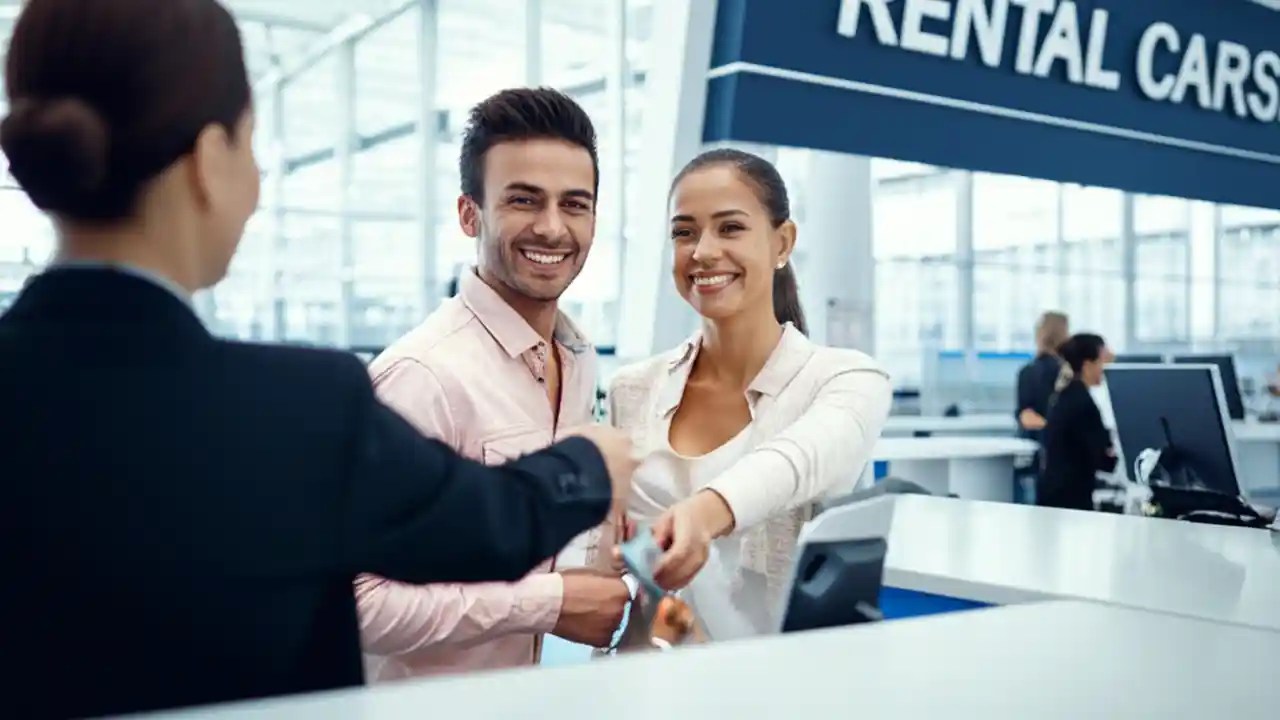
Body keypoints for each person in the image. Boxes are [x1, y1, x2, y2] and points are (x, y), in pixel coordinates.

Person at [0, 1, 636, 717]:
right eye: (251, 146)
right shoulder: (305, 408)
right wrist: (590, 469)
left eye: (575, 204)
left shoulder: (571, 357)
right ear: (211, 160)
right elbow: (478, 522)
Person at [357, 88, 630, 680]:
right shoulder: (421, 376)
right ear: (469, 214)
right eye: (524, 201)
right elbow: (359, 601)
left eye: (574, 204)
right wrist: (550, 603)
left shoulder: (577, 358)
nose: (553, 228)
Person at [595, 148, 893, 645]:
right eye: (684, 232)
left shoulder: (846, 379)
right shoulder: (632, 388)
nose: (703, 251)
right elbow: (620, 552)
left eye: (730, 228)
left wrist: (702, 515)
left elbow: (796, 462)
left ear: (783, 242)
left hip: (775, 687)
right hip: (649, 671)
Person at [1039, 333, 1117, 511]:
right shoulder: (1082, 402)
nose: (1105, 369)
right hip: (1070, 498)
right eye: (1102, 362)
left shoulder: (1065, 394)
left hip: (1055, 491)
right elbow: (1101, 457)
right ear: (1088, 365)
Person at [1014, 311, 1069, 503]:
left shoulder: (1028, 372)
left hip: (1037, 457)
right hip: (1056, 459)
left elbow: (1026, 417)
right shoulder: (1068, 374)